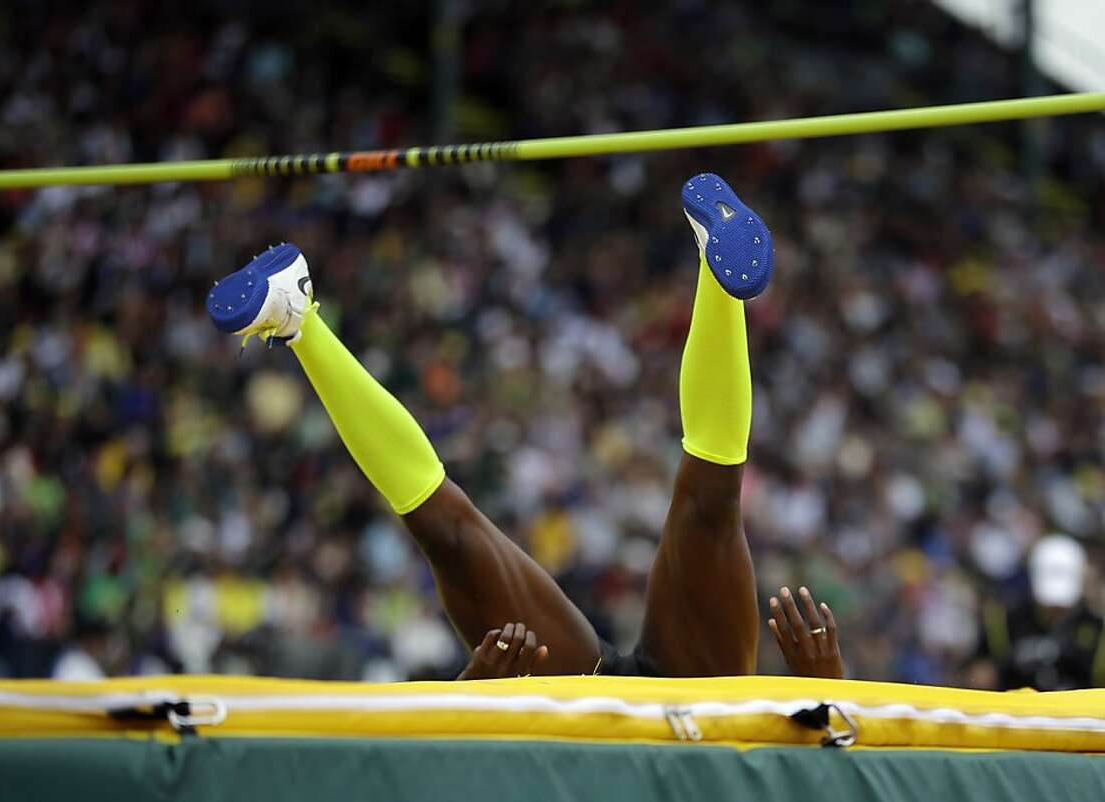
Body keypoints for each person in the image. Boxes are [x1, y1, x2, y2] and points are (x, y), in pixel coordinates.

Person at [206, 173, 774, 677]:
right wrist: (827, 676)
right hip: (688, 720)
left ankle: (296, 317)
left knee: (451, 536)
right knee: (708, 506)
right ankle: (715, 283)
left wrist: (476, 696)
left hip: (573, 723)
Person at [458, 586, 845, 680]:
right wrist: (829, 694)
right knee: (712, 501)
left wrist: (468, 705)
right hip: (700, 717)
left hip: (582, 731)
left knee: (450, 532)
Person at [968, 534, 1105, 691]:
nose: (1056, 610)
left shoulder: (1097, 632)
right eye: (1049, 604)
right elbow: (977, 676)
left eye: (1063, 606)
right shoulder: (1005, 624)